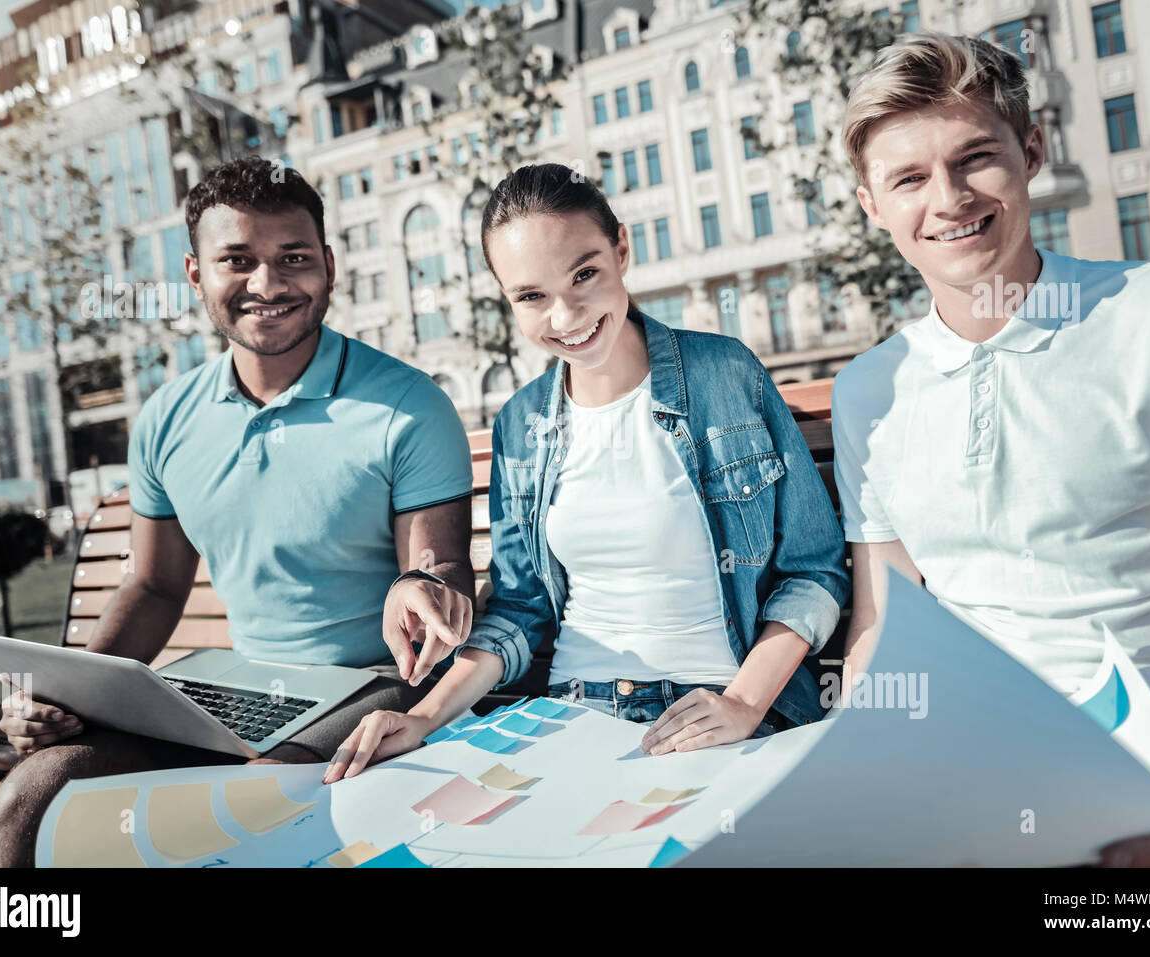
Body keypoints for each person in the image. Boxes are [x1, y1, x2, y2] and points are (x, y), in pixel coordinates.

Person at [0, 157, 476, 866]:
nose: (269, 284)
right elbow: (154, 588)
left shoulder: (406, 406)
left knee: (242, 812)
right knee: (30, 798)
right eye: (237, 260)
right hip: (231, 694)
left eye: (294, 258)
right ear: (195, 275)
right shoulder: (166, 419)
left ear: (330, 266)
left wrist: (426, 589)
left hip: (373, 685)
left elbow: (441, 571)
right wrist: (72, 692)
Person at [830, 33, 1150, 863]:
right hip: (989, 752)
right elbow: (881, 624)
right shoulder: (869, 390)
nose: (947, 199)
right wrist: (866, 762)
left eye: (975, 158)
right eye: (908, 178)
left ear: (1032, 152)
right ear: (872, 205)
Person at [322, 163, 849, 781]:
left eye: (585, 274)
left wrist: (742, 702)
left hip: (718, 706)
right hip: (572, 713)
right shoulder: (520, 423)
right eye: (531, 296)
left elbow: (813, 570)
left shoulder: (723, 374)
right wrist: (424, 717)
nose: (567, 315)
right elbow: (520, 610)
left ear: (621, 248)